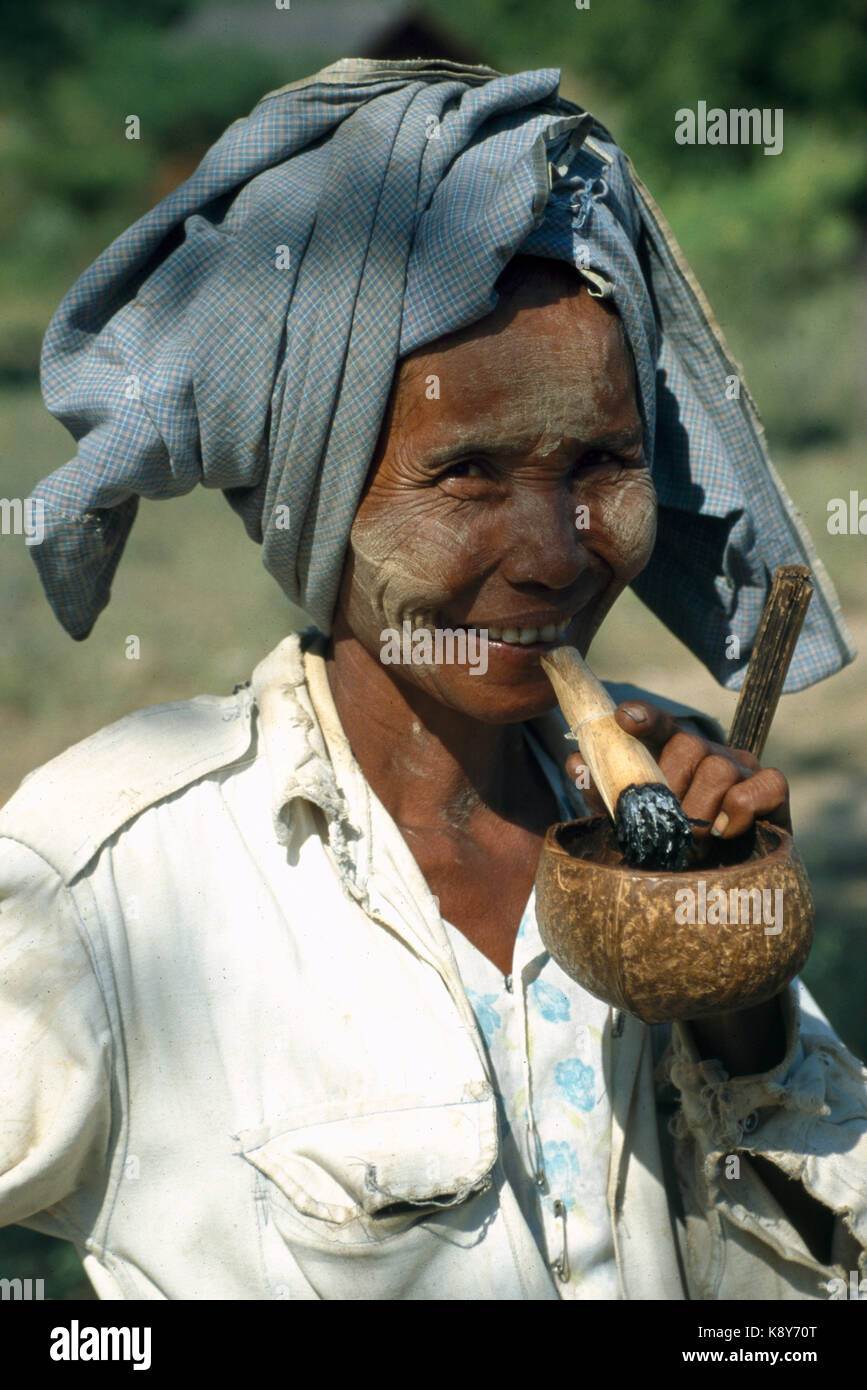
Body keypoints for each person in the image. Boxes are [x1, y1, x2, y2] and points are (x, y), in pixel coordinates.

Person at [1, 57, 864, 1301]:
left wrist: (734, 995)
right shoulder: (109, 880)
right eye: (467, 475)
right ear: (317, 500)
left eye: (606, 462)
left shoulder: (670, 815)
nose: (559, 553)